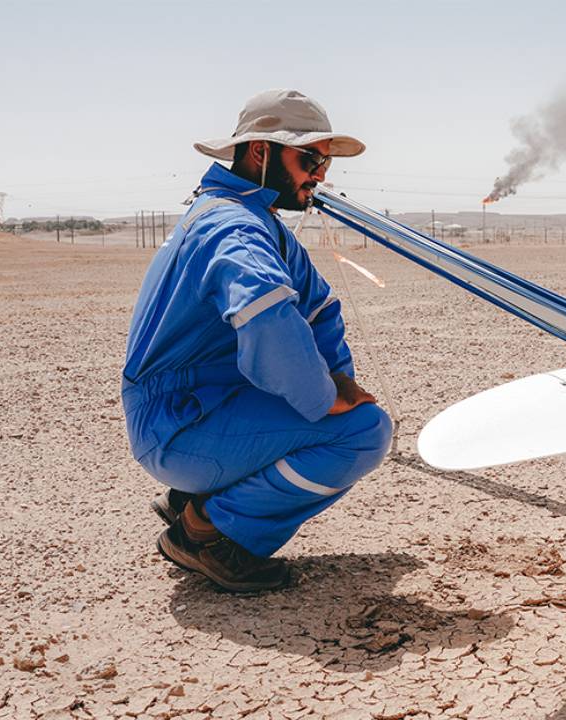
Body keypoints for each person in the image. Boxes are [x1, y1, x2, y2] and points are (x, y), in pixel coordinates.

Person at [121, 89, 393, 592]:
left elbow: (319, 308)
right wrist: (325, 399)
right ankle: (208, 532)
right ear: (261, 152)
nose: (320, 174)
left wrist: (341, 383)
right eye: (310, 159)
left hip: (200, 406)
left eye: (325, 162)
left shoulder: (256, 219)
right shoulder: (232, 227)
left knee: (344, 416)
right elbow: (267, 315)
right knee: (364, 433)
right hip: (178, 422)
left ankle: (195, 496)